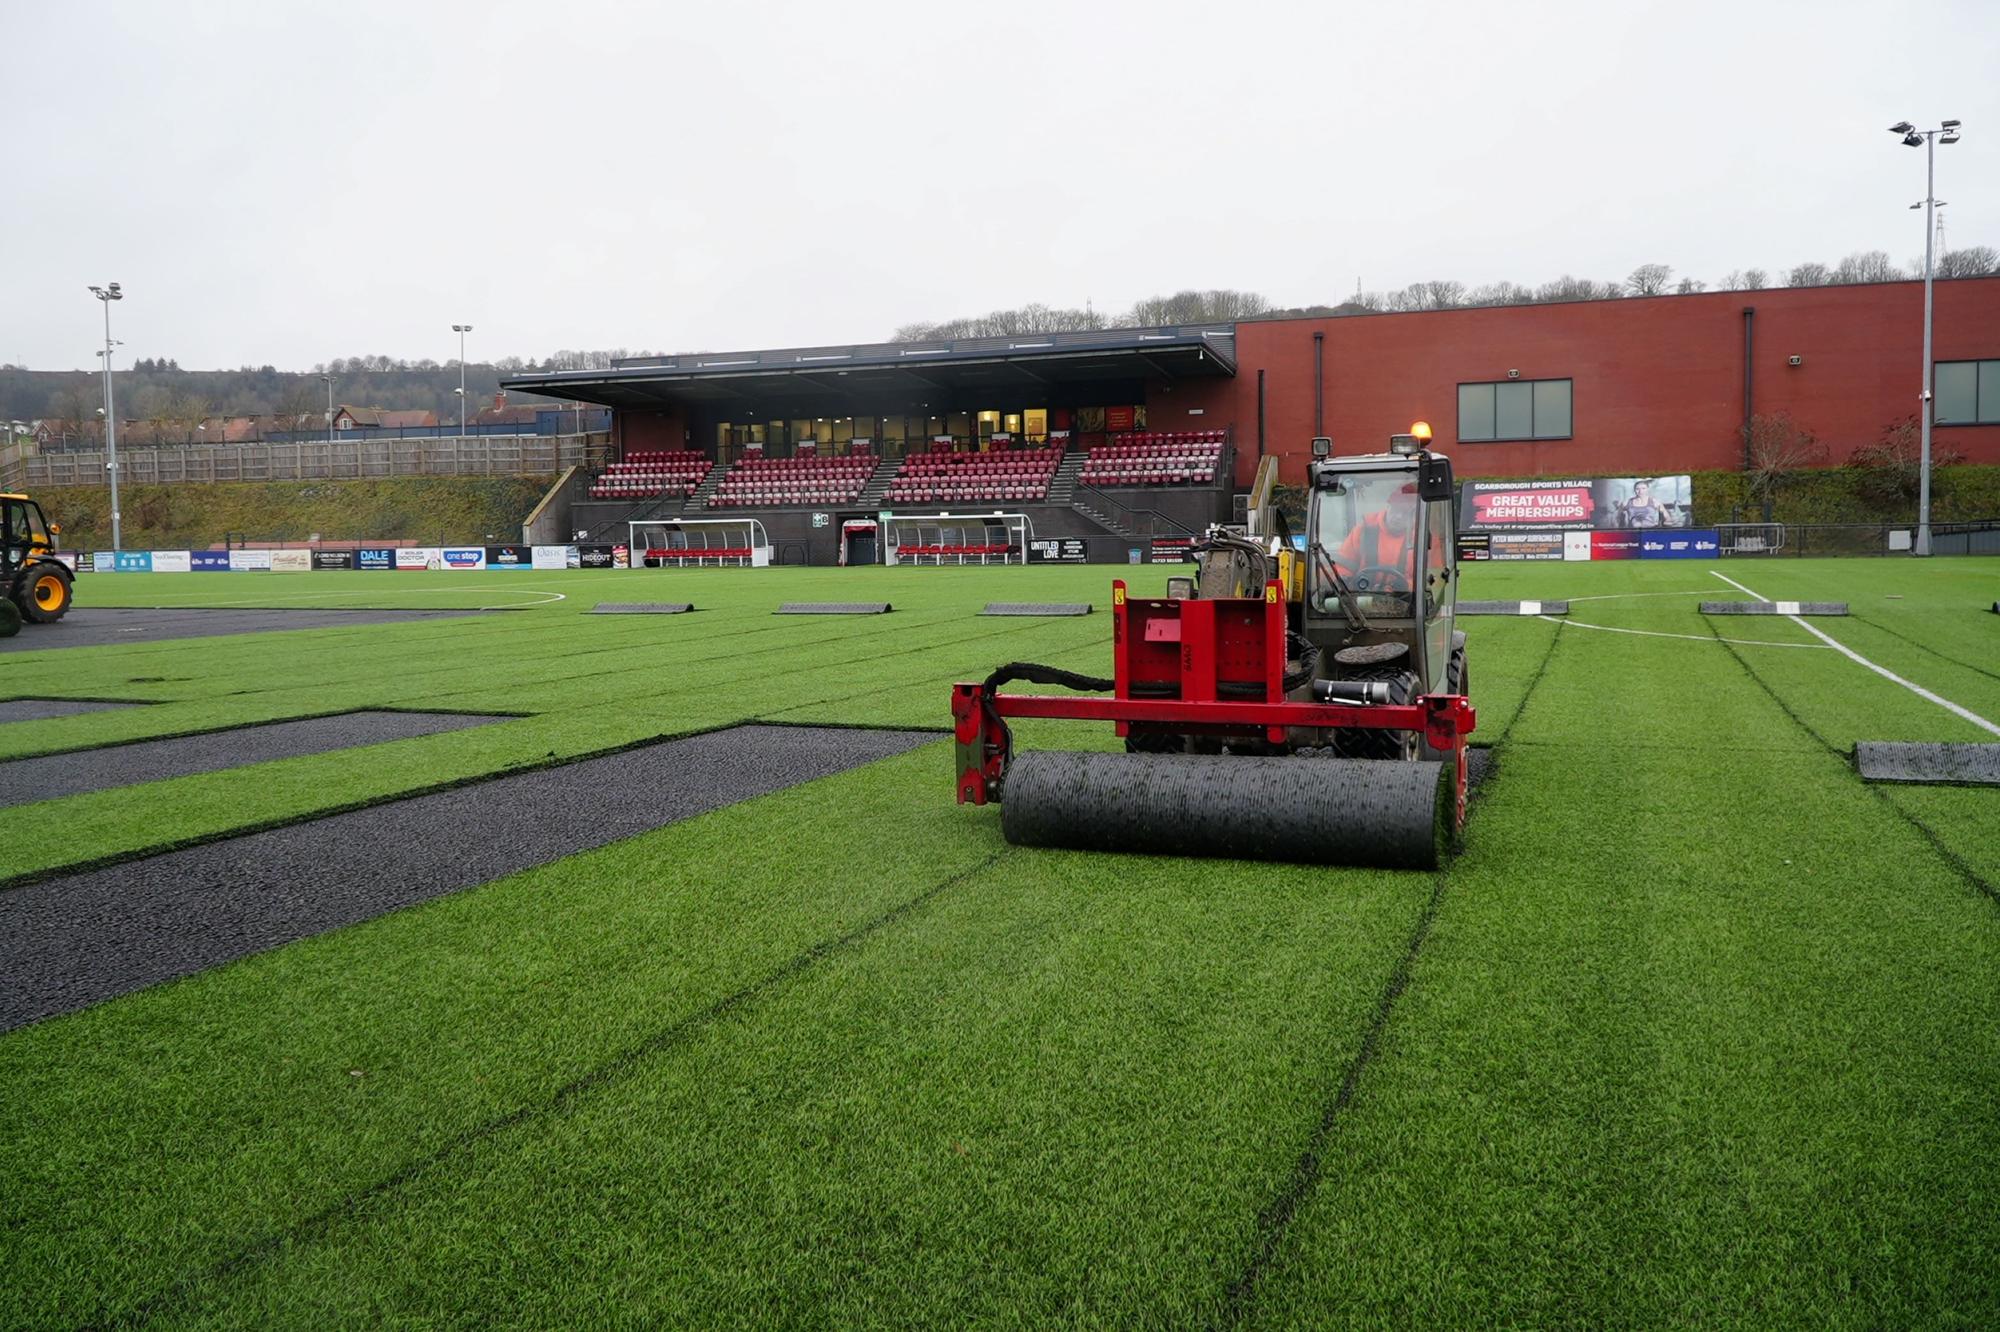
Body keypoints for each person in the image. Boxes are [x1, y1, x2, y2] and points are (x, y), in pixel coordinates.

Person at [1333, 483, 1418, 587]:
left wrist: (1407, 586)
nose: (1399, 516)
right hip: (1363, 594)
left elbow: (1430, 579)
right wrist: (1345, 584)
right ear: (1388, 506)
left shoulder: (1422, 539)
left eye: (1405, 513)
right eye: (1396, 509)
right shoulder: (1362, 531)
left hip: (1407, 596)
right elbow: (1343, 567)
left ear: (1413, 515)